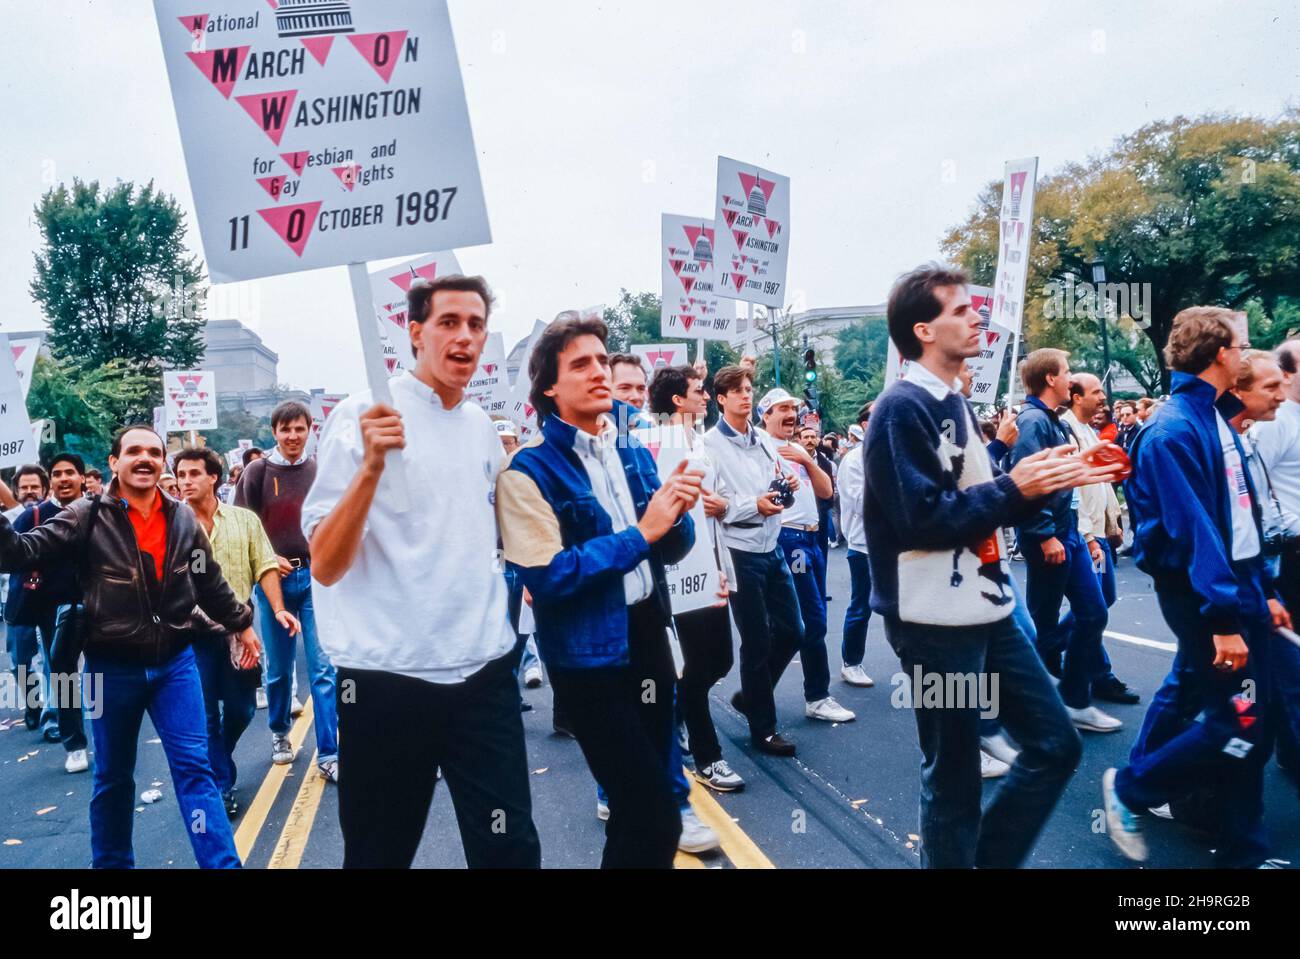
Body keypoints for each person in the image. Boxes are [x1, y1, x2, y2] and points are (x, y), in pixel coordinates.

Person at [865, 264, 1117, 868]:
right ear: (923, 331)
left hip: (986, 610)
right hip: (930, 623)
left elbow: (975, 495)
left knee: (1055, 745)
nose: (977, 316)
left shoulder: (950, 399)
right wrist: (1017, 489)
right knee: (953, 777)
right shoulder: (901, 408)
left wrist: (1048, 476)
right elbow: (922, 518)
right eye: (960, 310)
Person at [304, 275, 541, 869]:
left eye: (476, 325)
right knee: (378, 855)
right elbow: (326, 566)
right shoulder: (363, 416)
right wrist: (371, 468)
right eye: (449, 322)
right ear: (415, 333)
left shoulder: (484, 428)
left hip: (483, 677)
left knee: (510, 850)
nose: (465, 336)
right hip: (386, 683)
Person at [0, 425, 258, 868]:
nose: (145, 458)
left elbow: (208, 581)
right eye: (133, 451)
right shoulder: (85, 516)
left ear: (163, 465)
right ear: (114, 461)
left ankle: (222, 865)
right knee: (114, 779)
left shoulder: (181, 518)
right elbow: (17, 554)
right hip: (108, 669)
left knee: (196, 772)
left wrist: (243, 624)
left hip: (175, 666)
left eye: (154, 452)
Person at [496, 313, 700, 868]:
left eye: (602, 360)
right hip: (589, 658)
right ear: (549, 389)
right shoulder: (527, 471)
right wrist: (644, 531)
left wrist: (679, 512)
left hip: (648, 636)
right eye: (580, 364)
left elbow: (672, 546)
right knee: (654, 809)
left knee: (642, 813)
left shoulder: (631, 449)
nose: (599, 372)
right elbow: (550, 577)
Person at [1104, 308, 1287, 869]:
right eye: (1242, 345)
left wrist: (1261, 592)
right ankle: (1130, 790)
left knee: (1253, 721)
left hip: (1237, 592)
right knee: (1237, 721)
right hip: (1205, 601)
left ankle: (1242, 850)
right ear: (1219, 355)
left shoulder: (1212, 417)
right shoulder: (1175, 429)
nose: (1251, 355)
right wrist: (1225, 619)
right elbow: (1195, 530)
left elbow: (1237, 518)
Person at [175, 447, 297, 820]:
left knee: (242, 708)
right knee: (206, 713)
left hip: (239, 629)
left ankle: (219, 757)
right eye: (180, 475)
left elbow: (264, 565)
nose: (185, 482)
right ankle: (221, 784)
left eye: (194, 473)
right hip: (190, 633)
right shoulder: (172, 525)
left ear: (213, 477)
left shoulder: (244, 520)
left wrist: (278, 609)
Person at [1008, 350, 1123, 733]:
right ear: (1051, 379)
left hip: (1069, 530)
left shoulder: (1051, 421)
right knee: (1042, 622)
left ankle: (1073, 699)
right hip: (1050, 536)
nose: (1071, 377)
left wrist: (1090, 465)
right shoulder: (1033, 421)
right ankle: (1032, 703)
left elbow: (1059, 477)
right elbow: (1029, 483)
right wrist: (1043, 535)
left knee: (1094, 611)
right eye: (1067, 371)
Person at [647, 363, 745, 793]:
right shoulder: (658, 442)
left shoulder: (695, 442)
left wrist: (714, 505)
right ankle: (709, 758)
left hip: (708, 564)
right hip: (677, 570)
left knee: (719, 659)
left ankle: (678, 711)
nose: (706, 397)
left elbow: (710, 501)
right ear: (676, 401)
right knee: (695, 663)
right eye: (698, 391)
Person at [703, 365, 806, 757]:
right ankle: (763, 729)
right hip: (739, 551)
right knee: (757, 640)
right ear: (721, 399)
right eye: (737, 391)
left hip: (772, 546)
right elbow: (712, 504)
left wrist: (786, 486)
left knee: (793, 630)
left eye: (748, 388)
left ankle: (751, 695)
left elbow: (774, 489)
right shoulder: (709, 445)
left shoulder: (763, 439)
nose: (746, 396)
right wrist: (754, 505)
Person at [236, 400, 338, 780]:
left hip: (316, 579)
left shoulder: (321, 470)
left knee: (324, 668)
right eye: (285, 429)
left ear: (310, 428)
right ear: (274, 432)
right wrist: (266, 558)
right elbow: (243, 526)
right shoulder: (257, 472)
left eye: (299, 428)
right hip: (271, 581)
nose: (293, 436)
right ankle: (280, 732)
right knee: (278, 669)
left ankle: (330, 751)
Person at [758, 388, 855, 724]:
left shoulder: (799, 448)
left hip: (814, 538)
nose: (790, 414)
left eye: (793, 409)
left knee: (800, 621)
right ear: (765, 415)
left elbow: (826, 491)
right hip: (789, 538)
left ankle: (756, 691)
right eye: (782, 408)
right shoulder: (758, 444)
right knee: (811, 619)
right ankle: (817, 695)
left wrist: (806, 461)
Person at [1236, 343, 1300, 792]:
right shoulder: (1276, 426)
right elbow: (1251, 504)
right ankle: (1144, 783)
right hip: (1281, 560)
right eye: (1271, 383)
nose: (1276, 393)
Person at [5, 454, 92, 772]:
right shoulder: (35, 515)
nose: (64, 478)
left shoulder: (102, 512)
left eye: (70, 472)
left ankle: (114, 740)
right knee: (64, 674)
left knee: (110, 673)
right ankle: (75, 744)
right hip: (52, 611)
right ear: (51, 482)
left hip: (101, 605)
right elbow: (10, 551)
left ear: (82, 478)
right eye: (57, 473)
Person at [1061, 373, 1140, 706]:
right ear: (1077, 397)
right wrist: (1090, 537)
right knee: (1094, 609)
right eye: (1096, 392)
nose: (1104, 399)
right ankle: (1052, 652)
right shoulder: (1065, 430)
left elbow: (1100, 482)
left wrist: (1113, 522)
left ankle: (1062, 655)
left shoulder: (1087, 430)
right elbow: (1071, 490)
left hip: (1098, 531)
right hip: (1084, 535)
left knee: (1098, 604)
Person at [4, 464, 53, 732]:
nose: (30, 492)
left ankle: (53, 717)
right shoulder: (11, 518)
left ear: (45, 489)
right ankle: (34, 702)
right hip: (19, 603)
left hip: (51, 602)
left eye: (35, 486)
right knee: (19, 662)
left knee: (53, 660)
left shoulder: (57, 515)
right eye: (24, 487)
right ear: (16, 491)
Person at [838, 402, 875, 689]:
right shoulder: (854, 460)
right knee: (862, 605)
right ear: (865, 424)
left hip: (896, 546)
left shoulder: (892, 453)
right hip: (864, 544)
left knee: (904, 608)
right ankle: (851, 663)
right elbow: (863, 503)